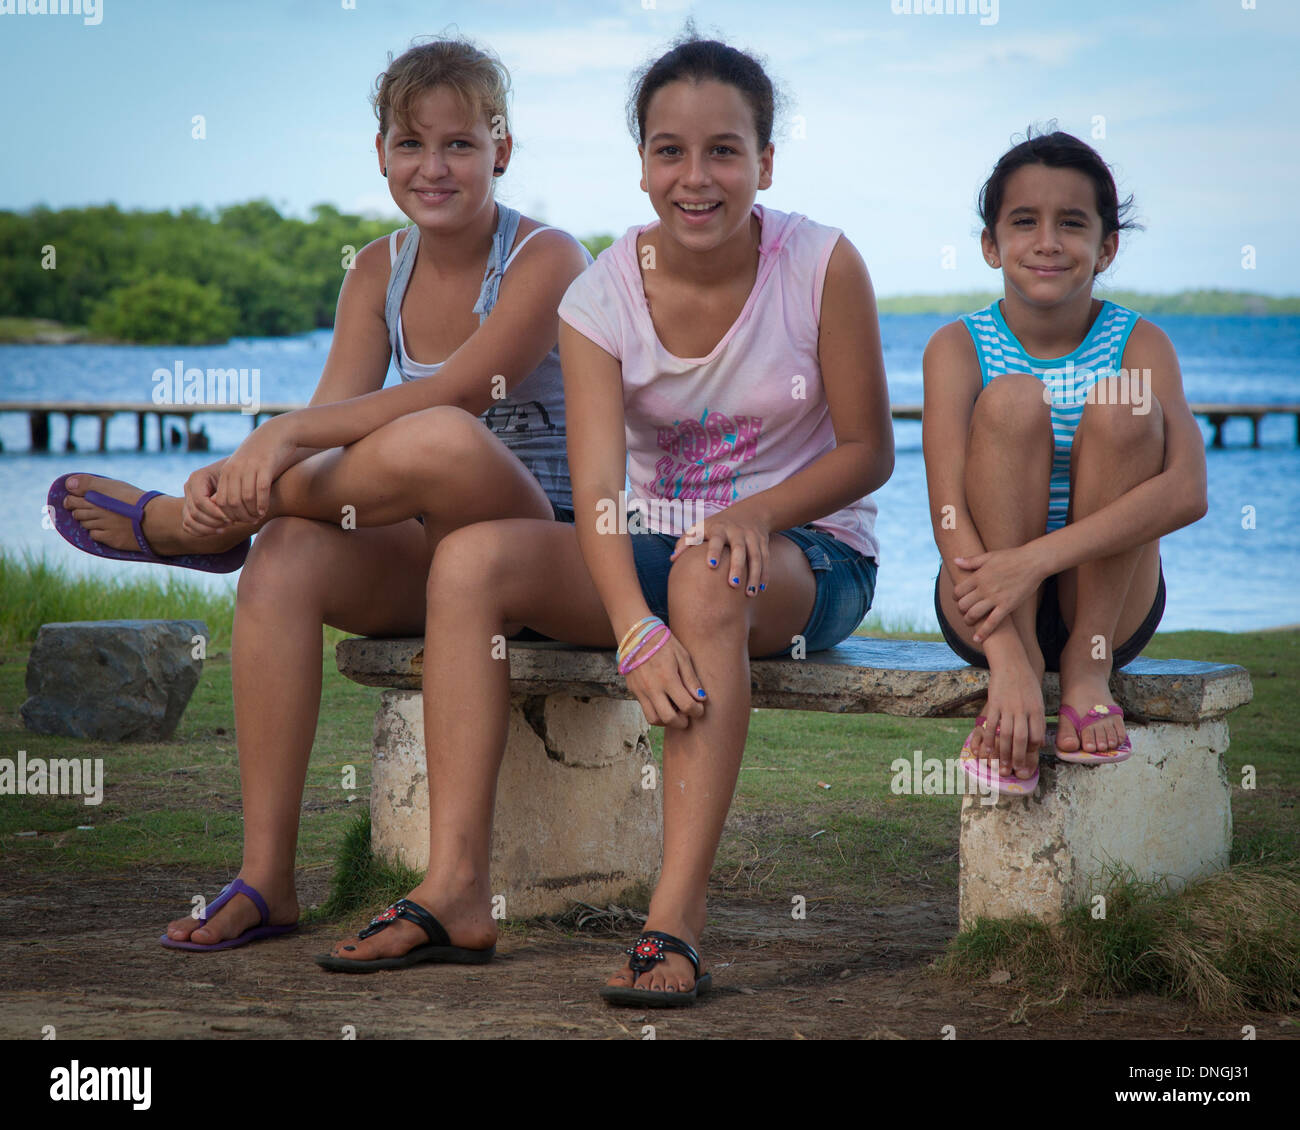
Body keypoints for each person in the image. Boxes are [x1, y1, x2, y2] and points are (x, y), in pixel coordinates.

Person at [317, 31, 893, 1007]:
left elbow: (867, 452)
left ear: (765, 162)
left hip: (805, 552)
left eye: (724, 151)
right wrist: (631, 622)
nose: (695, 176)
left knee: (712, 571)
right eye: (670, 150)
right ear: (640, 163)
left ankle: (673, 920)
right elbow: (593, 493)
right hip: (650, 546)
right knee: (468, 562)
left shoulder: (822, 265)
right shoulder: (602, 294)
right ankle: (455, 886)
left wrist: (753, 510)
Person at [50, 36, 591, 948]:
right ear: (380, 154)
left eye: (460, 144)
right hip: (436, 554)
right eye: (411, 145)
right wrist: (284, 457)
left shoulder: (548, 257)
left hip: (545, 557)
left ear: (504, 149)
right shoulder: (378, 270)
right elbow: (339, 422)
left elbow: (452, 394)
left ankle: (190, 527)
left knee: (443, 433)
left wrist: (276, 438)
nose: (435, 167)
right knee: (287, 553)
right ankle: (268, 879)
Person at [922, 128, 1207, 796]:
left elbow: (1189, 491)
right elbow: (945, 508)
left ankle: (1086, 666)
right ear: (992, 244)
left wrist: (1038, 562)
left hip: (1107, 605)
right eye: (1024, 222)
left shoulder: (1141, 342)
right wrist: (1006, 656)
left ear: (1106, 246)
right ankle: (1019, 661)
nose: (1047, 242)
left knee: (1126, 407)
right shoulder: (956, 347)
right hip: (984, 599)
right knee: (1014, 401)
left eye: (1072, 224)